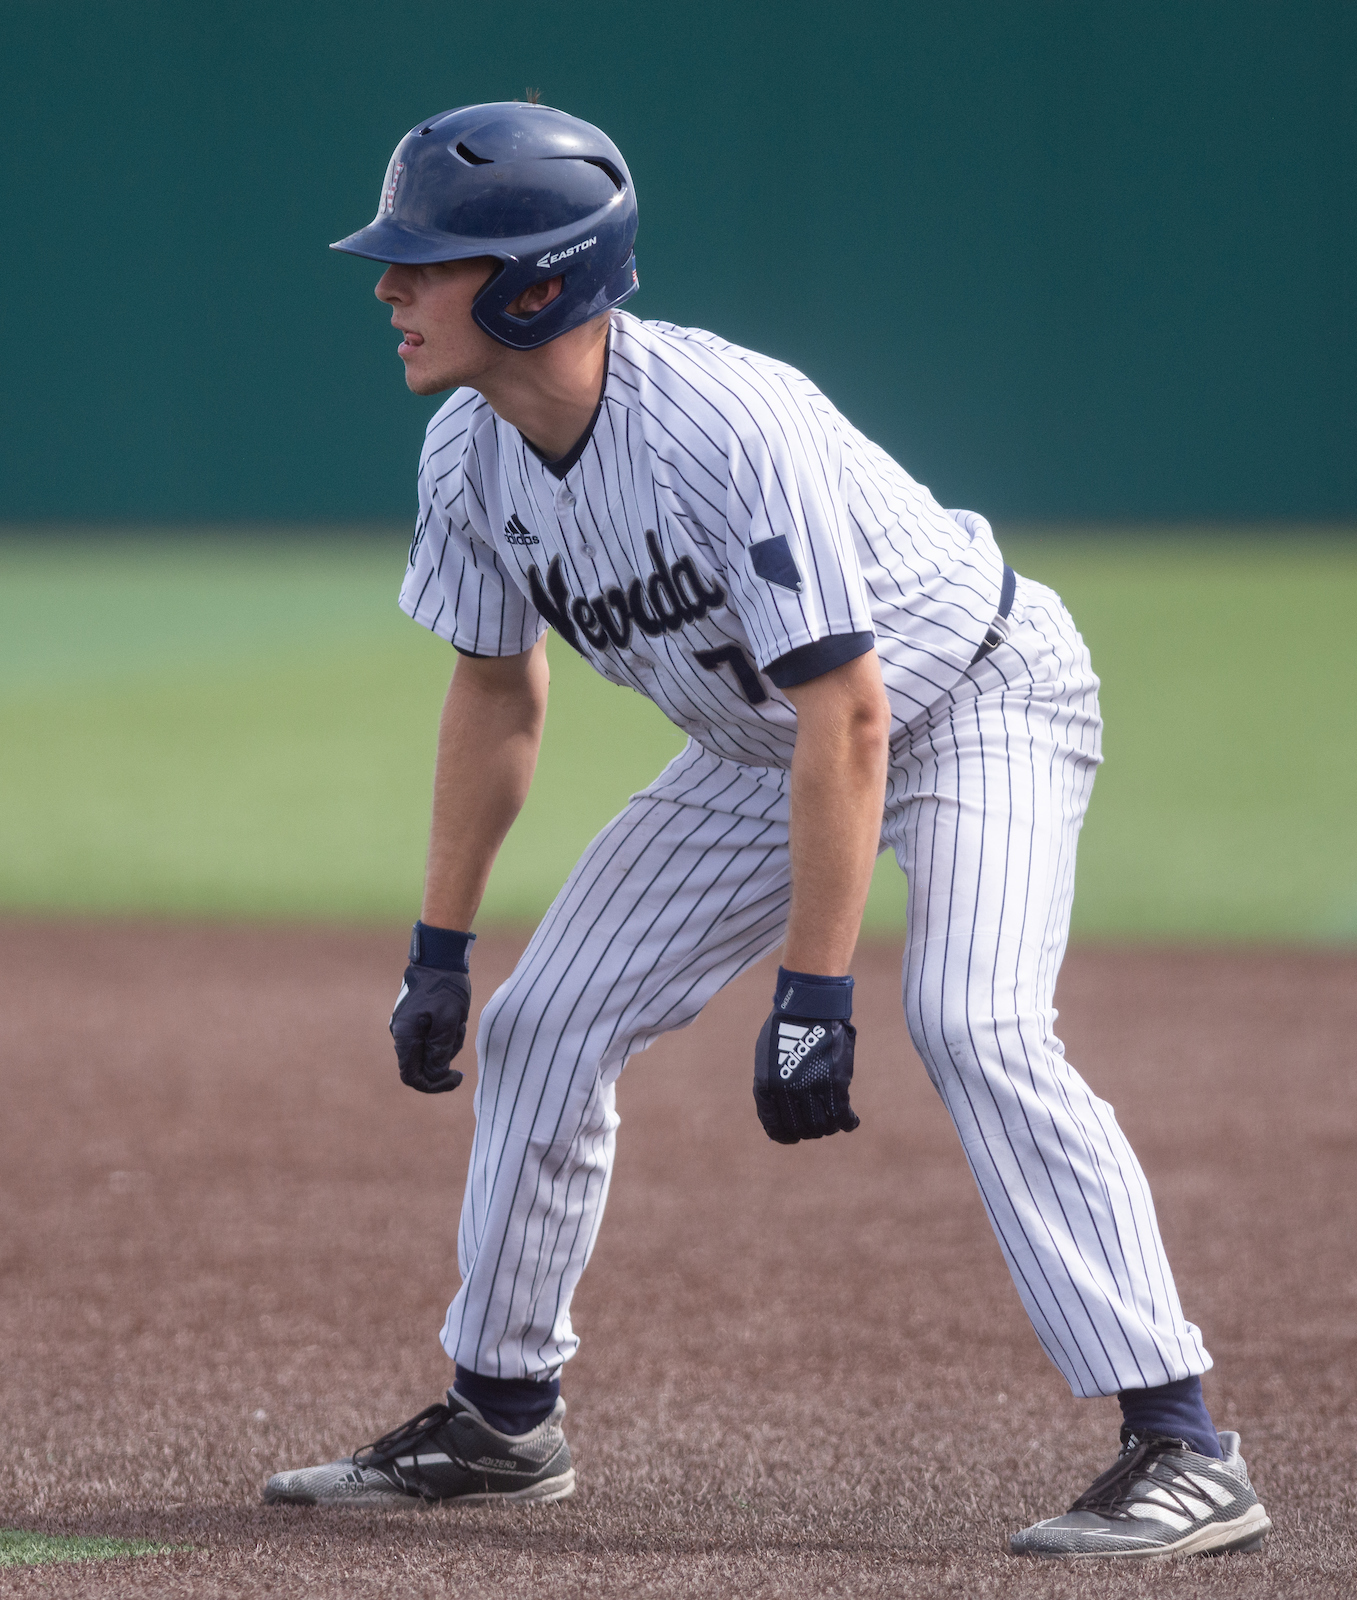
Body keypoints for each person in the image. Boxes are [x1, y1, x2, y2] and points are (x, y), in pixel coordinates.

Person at [261, 100, 1270, 1561]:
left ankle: (1183, 1442)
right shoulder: (467, 457)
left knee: (974, 1022)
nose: (390, 288)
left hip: (974, 697)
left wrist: (814, 988)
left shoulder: (727, 428)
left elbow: (853, 713)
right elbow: (495, 692)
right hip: (768, 747)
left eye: (427, 261)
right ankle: (500, 1416)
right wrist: (440, 945)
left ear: (534, 283)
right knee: (545, 1023)